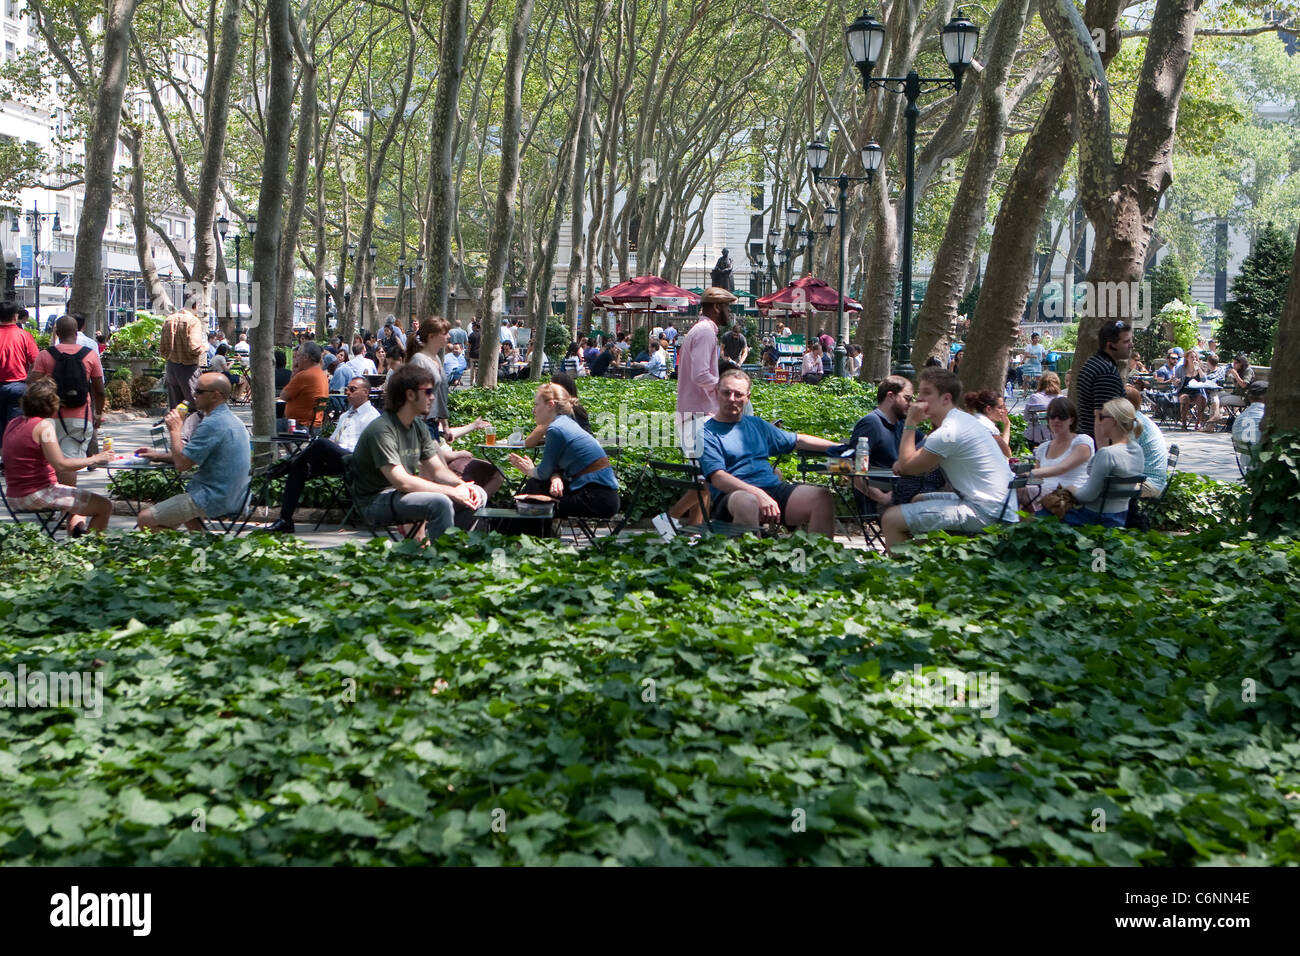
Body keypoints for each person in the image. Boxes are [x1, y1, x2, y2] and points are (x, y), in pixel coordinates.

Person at [880, 367, 1018, 553]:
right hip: (999, 506)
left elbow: (906, 467)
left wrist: (911, 422)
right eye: (919, 392)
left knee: (891, 518)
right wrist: (907, 461)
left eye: (927, 393)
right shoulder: (959, 422)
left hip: (987, 512)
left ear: (946, 398)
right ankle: (929, 564)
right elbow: (912, 458)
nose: (919, 399)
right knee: (918, 499)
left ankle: (903, 576)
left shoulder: (949, 432)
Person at [349, 365, 487, 537]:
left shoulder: (418, 426)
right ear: (410, 395)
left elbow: (438, 470)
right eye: (428, 392)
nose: (433, 397)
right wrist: (452, 491)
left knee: (478, 494)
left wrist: (461, 486)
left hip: (403, 494)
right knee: (440, 502)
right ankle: (441, 559)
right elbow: (402, 482)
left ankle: (457, 546)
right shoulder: (382, 430)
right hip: (376, 500)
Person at [695, 369, 835, 536]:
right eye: (726, 393)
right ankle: (752, 559)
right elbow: (718, 478)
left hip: (771, 489)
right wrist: (757, 493)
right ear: (717, 393)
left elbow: (797, 440)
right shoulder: (705, 433)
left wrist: (840, 447)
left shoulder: (756, 424)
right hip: (732, 497)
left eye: (738, 394)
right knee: (748, 502)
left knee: (821, 498)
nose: (731, 399)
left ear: (748, 398)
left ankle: (819, 558)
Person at [262, 376, 381, 533]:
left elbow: (364, 449)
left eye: (352, 389)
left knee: (321, 444)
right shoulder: (346, 415)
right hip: (336, 460)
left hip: (356, 461)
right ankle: (285, 520)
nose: (348, 393)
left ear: (365, 392)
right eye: (347, 389)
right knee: (299, 469)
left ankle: (287, 465)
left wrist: (330, 446)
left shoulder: (372, 417)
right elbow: (334, 440)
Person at [137, 373, 251, 530]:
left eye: (199, 391)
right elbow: (190, 456)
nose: (193, 394)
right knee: (186, 513)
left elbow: (182, 465)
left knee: (145, 519)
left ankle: (180, 553)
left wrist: (175, 430)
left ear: (215, 396)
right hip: (236, 496)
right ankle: (202, 550)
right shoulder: (231, 420)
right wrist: (156, 455)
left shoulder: (213, 424)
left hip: (214, 497)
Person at [1, 378, 114, 535]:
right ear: (52, 403)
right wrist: (95, 458)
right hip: (36, 494)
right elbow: (60, 464)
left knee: (80, 501)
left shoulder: (13, 423)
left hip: (14, 494)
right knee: (104, 506)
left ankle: (77, 537)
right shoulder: (43, 426)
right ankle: (91, 550)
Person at [506, 383, 620, 519]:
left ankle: (532, 538)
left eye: (536, 405)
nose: (534, 410)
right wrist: (555, 477)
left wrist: (530, 470)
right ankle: (539, 537)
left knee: (533, 496)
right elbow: (555, 468)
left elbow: (543, 473)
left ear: (550, 405)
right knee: (535, 488)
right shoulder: (565, 423)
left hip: (596, 499)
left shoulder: (556, 430)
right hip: (601, 496)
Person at [28, 315, 106, 483]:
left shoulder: (45, 355)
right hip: (80, 417)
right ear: (76, 332)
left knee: (53, 462)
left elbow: (32, 385)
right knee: (69, 463)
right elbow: (100, 390)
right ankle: (66, 507)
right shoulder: (90, 355)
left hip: (50, 418)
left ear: (57, 332)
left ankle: (59, 503)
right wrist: (98, 414)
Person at [1059, 397, 1146, 528]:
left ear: (1113, 421)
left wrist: (1070, 488)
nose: (1099, 422)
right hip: (1121, 516)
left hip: (1095, 518)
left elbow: (1087, 496)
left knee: (1043, 514)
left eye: (1101, 417)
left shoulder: (1107, 454)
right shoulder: (1137, 449)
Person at [1024, 397, 1095, 513]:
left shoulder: (1083, 441)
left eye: (1062, 417)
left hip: (1069, 497)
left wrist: (1026, 474)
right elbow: (1037, 479)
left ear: (1071, 420)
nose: (1056, 420)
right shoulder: (1043, 448)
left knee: (1020, 492)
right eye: (1052, 416)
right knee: (1015, 492)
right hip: (1045, 496)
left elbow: (1062, 468)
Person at [1074, 319, 1132, 439]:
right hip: (1100, 445)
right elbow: (1102, 419)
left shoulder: (1092, 363)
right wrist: (1104, 453)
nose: (1131, 345)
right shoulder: (1106, 372)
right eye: (1126, 341)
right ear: (1110, 345)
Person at [406, 318, 452, 438]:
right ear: (431, 336)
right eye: (444, 333)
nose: (449, 336)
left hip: (433, 423)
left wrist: (445, 425)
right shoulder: (418, 360)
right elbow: (412, 396)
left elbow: (440, 394)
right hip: (421, 423)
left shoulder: (436, 358)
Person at [158, 307, 208, 410]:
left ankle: (178, 426)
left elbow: (162, 349)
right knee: (196, 405)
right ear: (196, 306)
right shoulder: (193, 321)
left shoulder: (168, 320)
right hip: (188, 368)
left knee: (176, 408)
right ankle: (195, 426)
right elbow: (194, 348)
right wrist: (205, 347)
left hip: (171, 367)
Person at [1125, 385, 1168, 497]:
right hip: (1154, 481)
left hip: (1148, 484)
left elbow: (1124, 460)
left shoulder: (1133, 424)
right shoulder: (1140, 418)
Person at [278, 343, 330, 432]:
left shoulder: (304, 376)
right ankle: (291, 446)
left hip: (300, 425)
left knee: (270, 425)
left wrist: (295, 373)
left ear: (305, 357)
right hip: (316, 424)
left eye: (298, 356)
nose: (296, 359)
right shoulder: (322, 374)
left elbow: (283, 396)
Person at [964, 389, 1013, 458]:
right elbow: (1007, 453)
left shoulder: (975, 419)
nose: (1003, 411)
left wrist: (1007, 424)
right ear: (988, 409)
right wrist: (1007, 425)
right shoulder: (988, 427)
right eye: (1000, 407)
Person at [1231, 381, 1267, 470]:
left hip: (1245, 463)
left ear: (1250, 398)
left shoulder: (1240, 417)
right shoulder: (1266, 416)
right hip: (1263, 463)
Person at [1024, 371, 1061, 447]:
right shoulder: (1062, 399)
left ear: (1040, 383)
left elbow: (1026, 418)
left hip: (1036, 439)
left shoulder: (1034, 398)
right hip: (1058, 438)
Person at [1177, 347, 1209, 430]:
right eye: (1191, 357)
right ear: (1187, 358)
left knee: (1202, 399)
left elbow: (1204, 380)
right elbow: (1176, 381)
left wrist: (1198, 369)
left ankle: (1198, 423)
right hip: (1184, 391)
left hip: (1196, 391)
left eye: (1195, 357)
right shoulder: (1181, 369)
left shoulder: (1199, 368)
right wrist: (1176, 381)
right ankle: (1183, 422)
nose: (1194, 359)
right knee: (1185, 398)